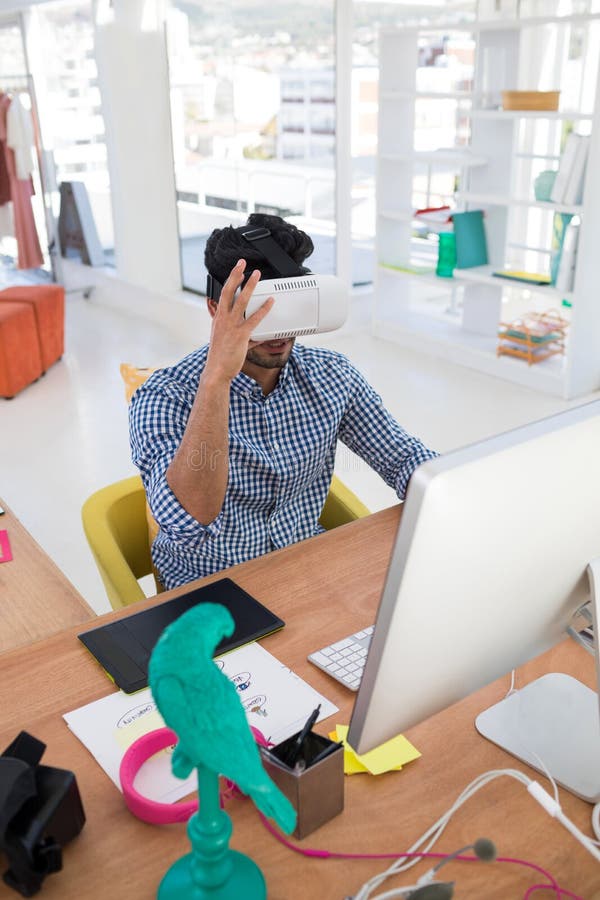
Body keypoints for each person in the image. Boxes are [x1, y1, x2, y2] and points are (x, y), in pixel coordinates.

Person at [129, 214, 437, 591]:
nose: (278, 330)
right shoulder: (164, 395)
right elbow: (189, 522)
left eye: (287, 307)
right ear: (216, 309)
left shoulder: (332, 376)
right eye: (257, 310)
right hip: (208, 587)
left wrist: (457, 497)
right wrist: (216, 380)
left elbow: (403, 458)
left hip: (304, 569)